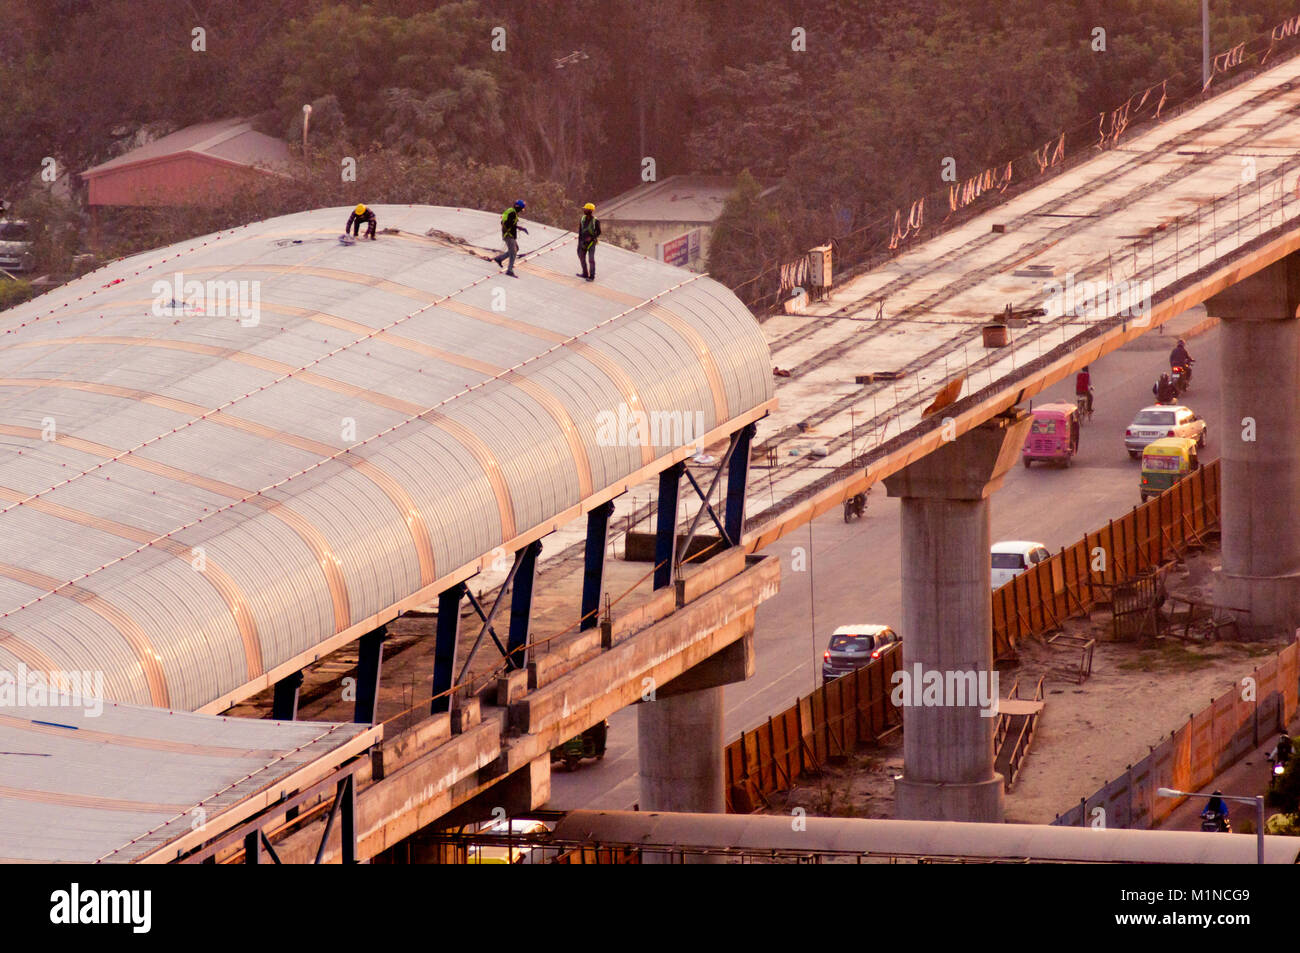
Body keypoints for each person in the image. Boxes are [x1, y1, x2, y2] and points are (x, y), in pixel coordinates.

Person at [493, 199, 528, 276]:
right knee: (513, 251)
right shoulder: (512, 213)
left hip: (509, 234)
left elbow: (508, 223)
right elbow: (506, 223)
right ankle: (510, 270)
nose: (521, 211)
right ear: (519, 208)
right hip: (509, 235)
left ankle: (499, 259)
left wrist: (519, 228)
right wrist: (512, 230)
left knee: (516, 249)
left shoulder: (511, 211)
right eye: (522, 209)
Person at [577, 202, 601, 281]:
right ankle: (585, 273)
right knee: (581, 257)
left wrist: (591, 238)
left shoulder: (595, 221)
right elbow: (580, 231)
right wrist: (579, 243)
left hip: (591, 243)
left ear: (590, 210)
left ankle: (592, 276)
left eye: (586, 209)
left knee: (591, 259)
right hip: (583, 242)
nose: (584, 210)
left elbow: (599, 232)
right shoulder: (582, 219)